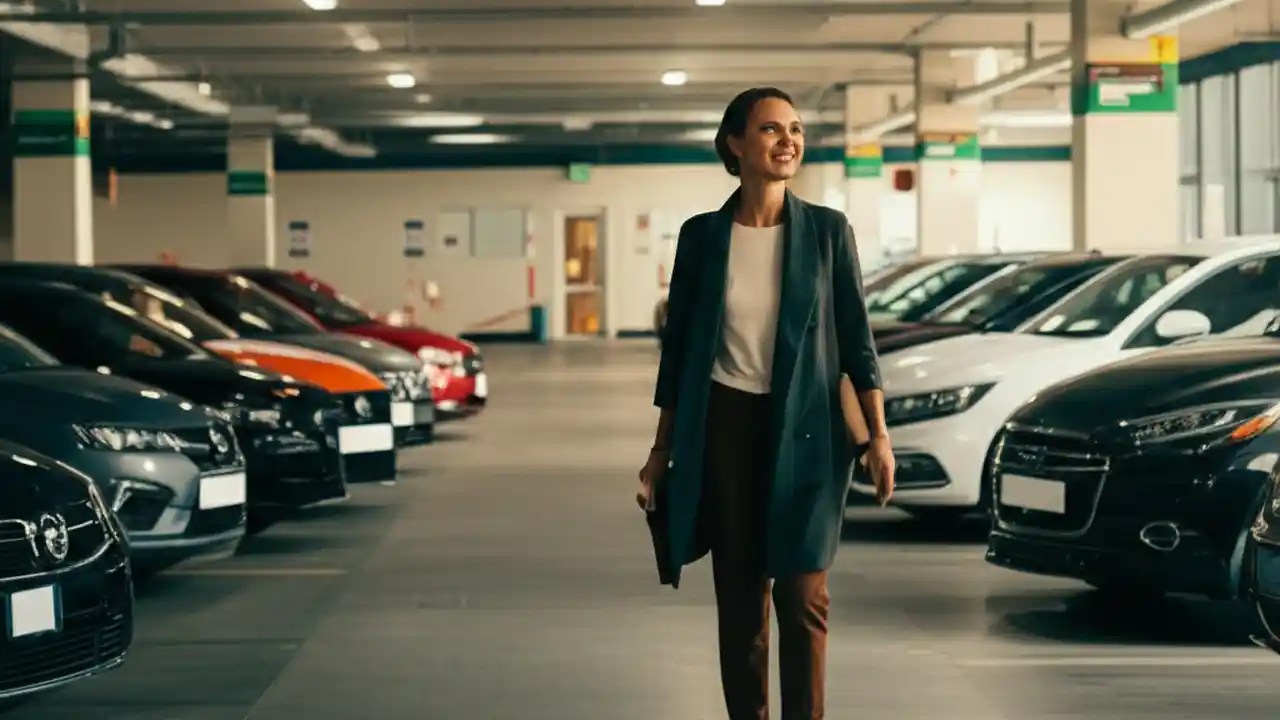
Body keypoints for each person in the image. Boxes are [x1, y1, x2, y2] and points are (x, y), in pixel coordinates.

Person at [635, 87, 895, 720]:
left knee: (805, 598)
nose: (789, 141)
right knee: (742, 604)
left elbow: (857, 344)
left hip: (807, 432)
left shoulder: (828, 232)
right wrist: (660, 451)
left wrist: (878, 435)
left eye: (797, 130)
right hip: (725, 431)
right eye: (772, 130)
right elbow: (681, 357)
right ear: (736, 144)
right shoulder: (702, 238)